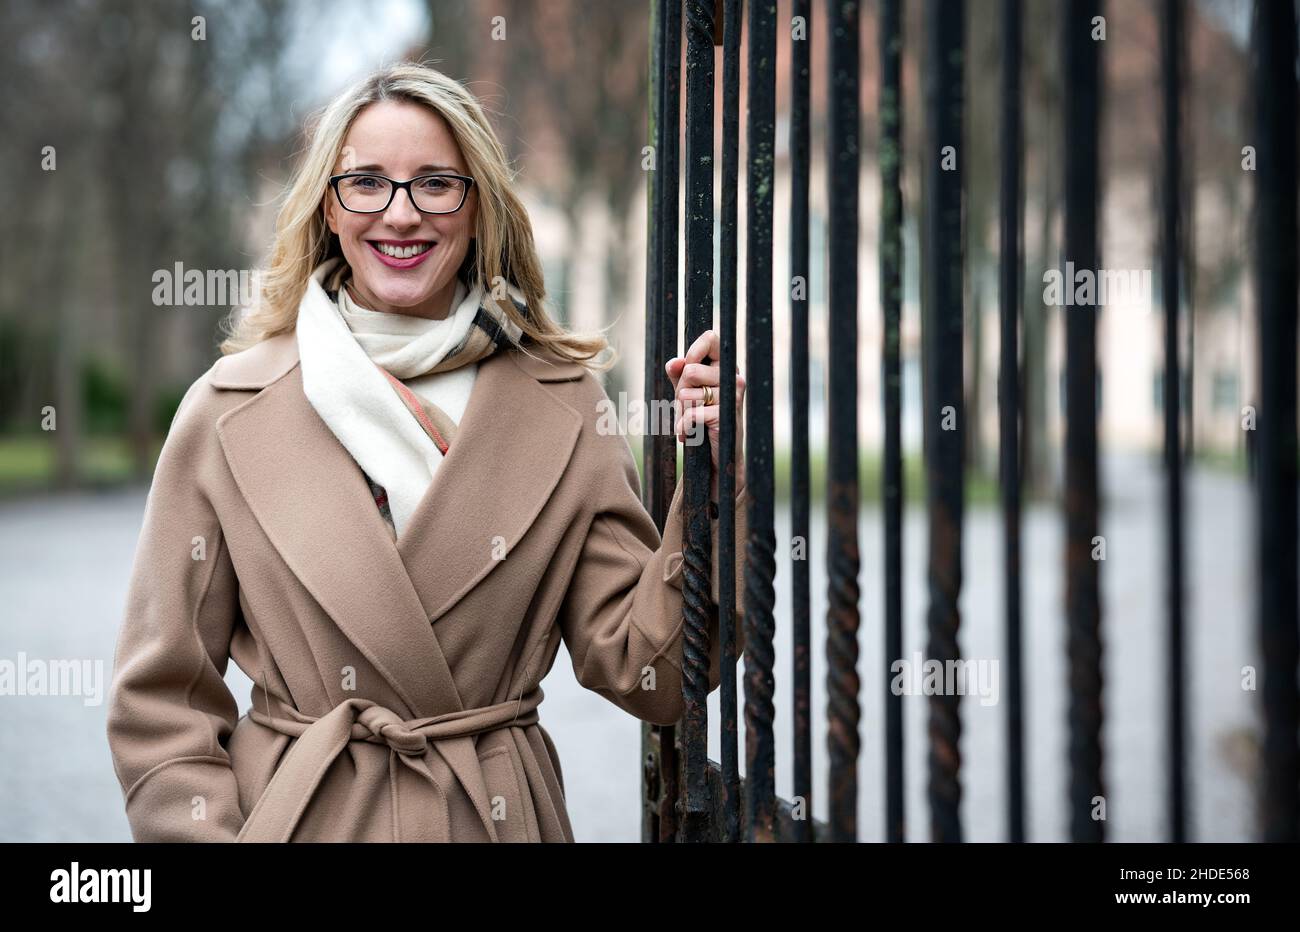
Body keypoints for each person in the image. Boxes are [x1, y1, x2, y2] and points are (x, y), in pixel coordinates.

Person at [104, 62, 748, 842]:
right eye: (366, 183)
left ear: (479, 209)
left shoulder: (565, 404)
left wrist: (717, 469)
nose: (400, 215)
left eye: (437, 183)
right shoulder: (227, 411)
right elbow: (161, 699)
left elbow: (650, 671)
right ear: (328, 210)